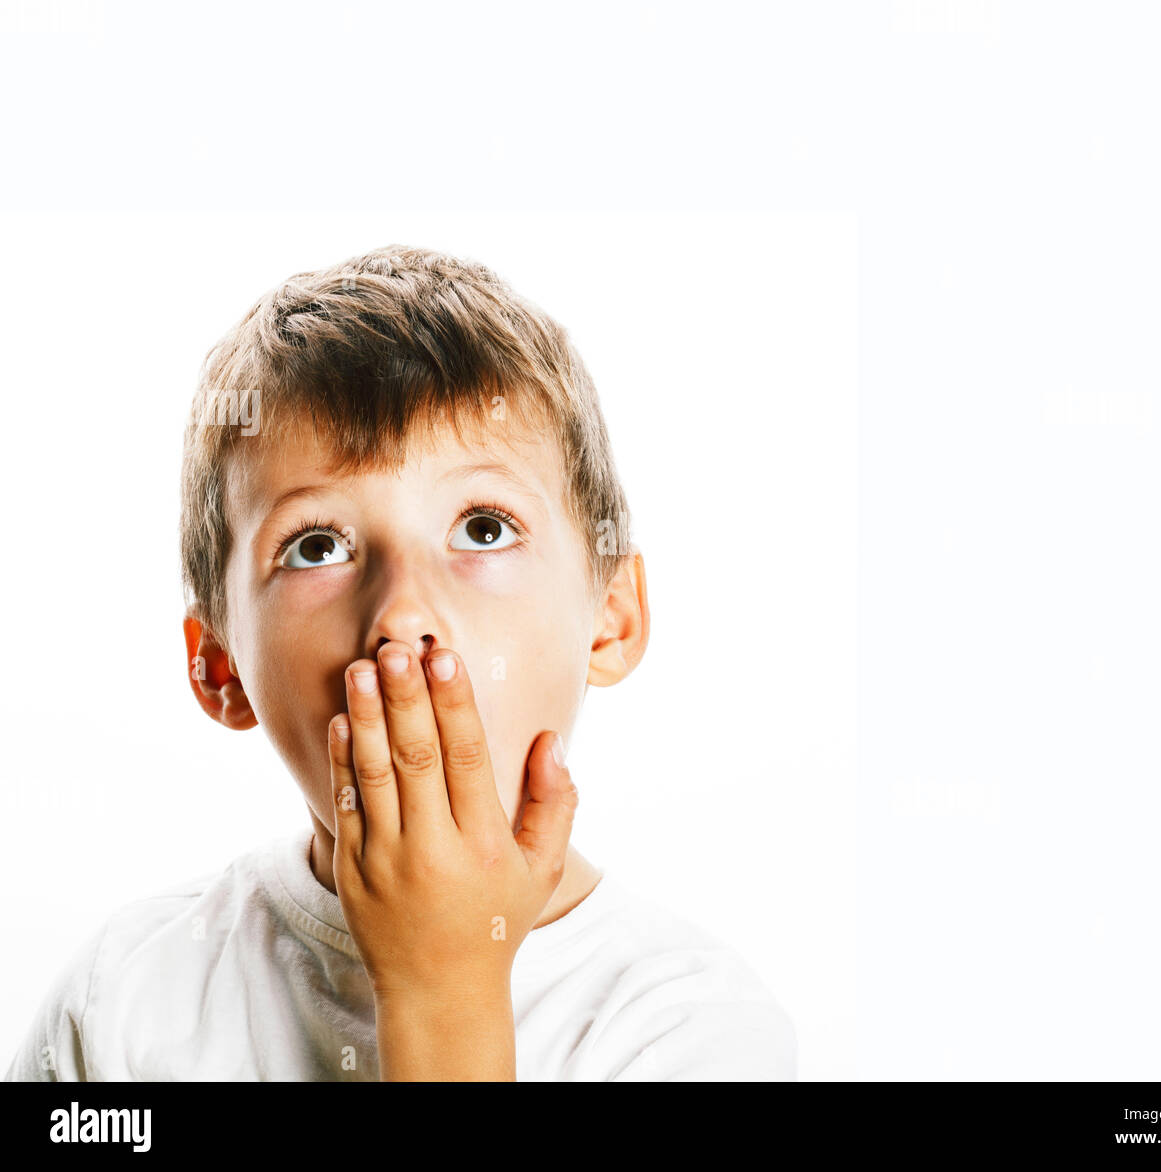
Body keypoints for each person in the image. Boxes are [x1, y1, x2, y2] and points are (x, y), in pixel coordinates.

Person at [5, 244, 797, 1081]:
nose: (403, 614)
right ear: (220, 667)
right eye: (317, 547)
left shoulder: (692, 1030)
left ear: (612, 618)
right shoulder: (123, 1005)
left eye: (483, 529)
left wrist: (443, 986)